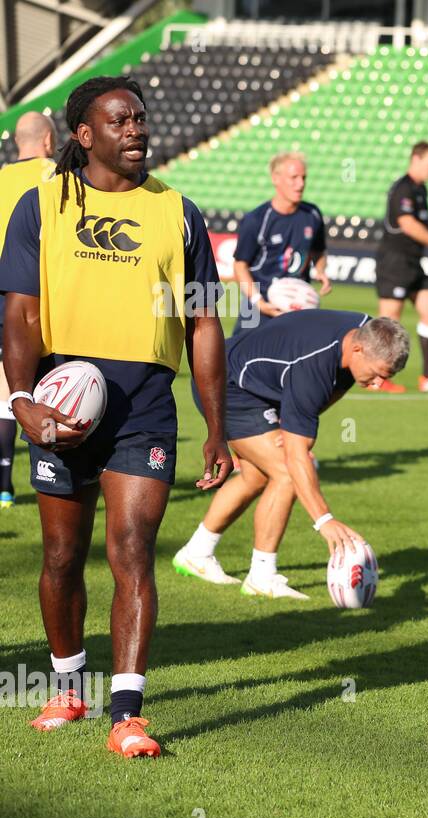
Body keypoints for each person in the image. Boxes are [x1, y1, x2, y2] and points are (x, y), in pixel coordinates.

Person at [0, 76, 230, 758]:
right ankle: (70, 687)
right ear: (83, 133)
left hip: (146, 404)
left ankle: (127, 713)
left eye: (141, 118)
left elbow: (206, 320)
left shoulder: (179, 213)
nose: (136, 128)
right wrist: (23, 400)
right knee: (63, 557)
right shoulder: (41, 208)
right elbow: (15, 313)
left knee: (133, 552)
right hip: (60, 400)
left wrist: (216, 424)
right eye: (120, 119)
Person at [173, 312, 407, 598]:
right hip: (225, 385)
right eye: (378, 373)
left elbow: (337, 383)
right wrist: (324, 520)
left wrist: (293, 421)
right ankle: (262, 576)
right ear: (357, 349)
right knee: (285, 473)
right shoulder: (313, 364)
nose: (379, 384)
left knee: (255, 476)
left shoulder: (367, 332)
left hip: (254, 380)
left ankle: (196, 553)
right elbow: (297, 457)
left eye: (387, 377)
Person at [0, 112, 57, 509]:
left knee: (3, 389)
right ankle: (55, 480)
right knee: (48, 387)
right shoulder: (56, 175)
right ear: (49, 141)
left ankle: (4, 483)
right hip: (36, 295)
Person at [375, 141, 428, 394]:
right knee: (388, 323)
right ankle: (377, 376)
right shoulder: (402, 189)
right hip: (395, 262)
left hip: (414, 262)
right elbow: (409, 225)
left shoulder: (420, 190)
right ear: (416, 159)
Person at [232, 151, 330, 330]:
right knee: (239, 356)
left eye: (303, 178)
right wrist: (258, 302)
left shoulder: (313, 214)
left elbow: (319, 251)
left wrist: (320, 270)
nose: (300, 184)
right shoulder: (256, 220)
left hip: (297, 305)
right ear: (275, 178)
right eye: (294, 177)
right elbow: (240, 265)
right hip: (257, 305)